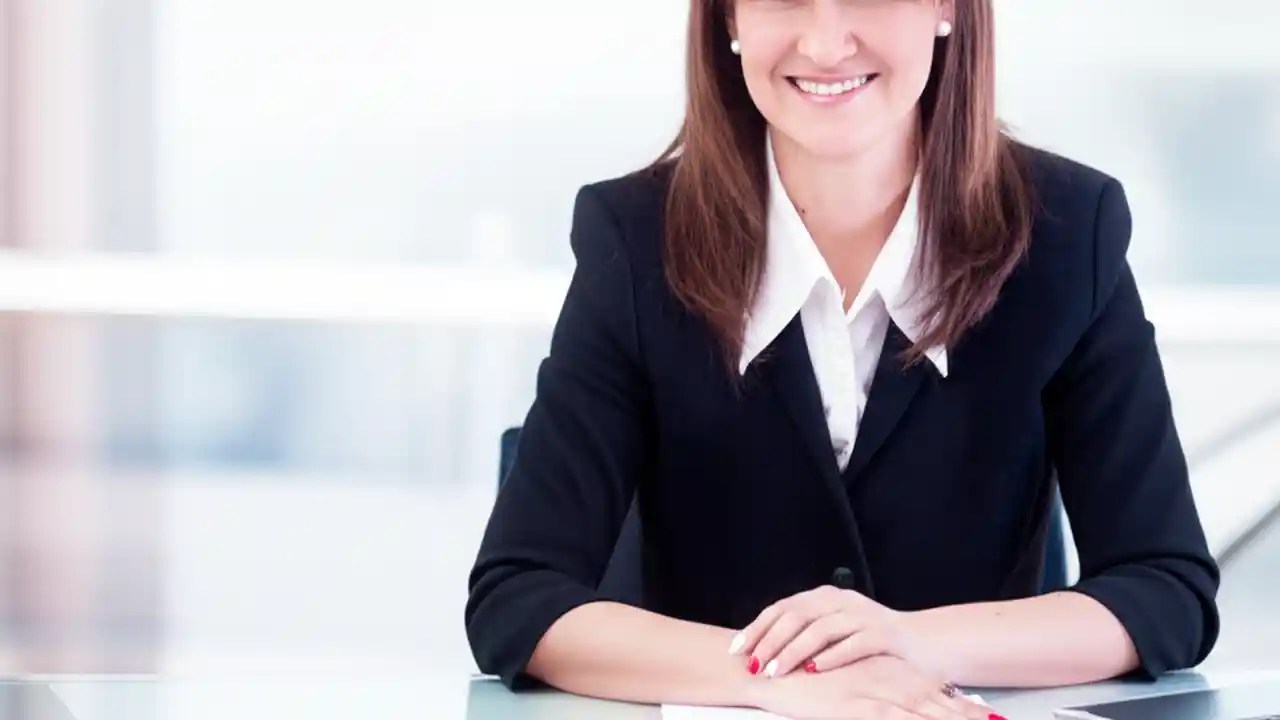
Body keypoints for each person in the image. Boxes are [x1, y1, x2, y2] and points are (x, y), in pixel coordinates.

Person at [465, 1, 1220, 718]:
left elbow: (1164, 590)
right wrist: (772, 680)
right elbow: (520, 598)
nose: (826, 43)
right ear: (729, 16)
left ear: (947, 8)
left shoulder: (1066, 232)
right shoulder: (634, 239)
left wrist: (916, 641)